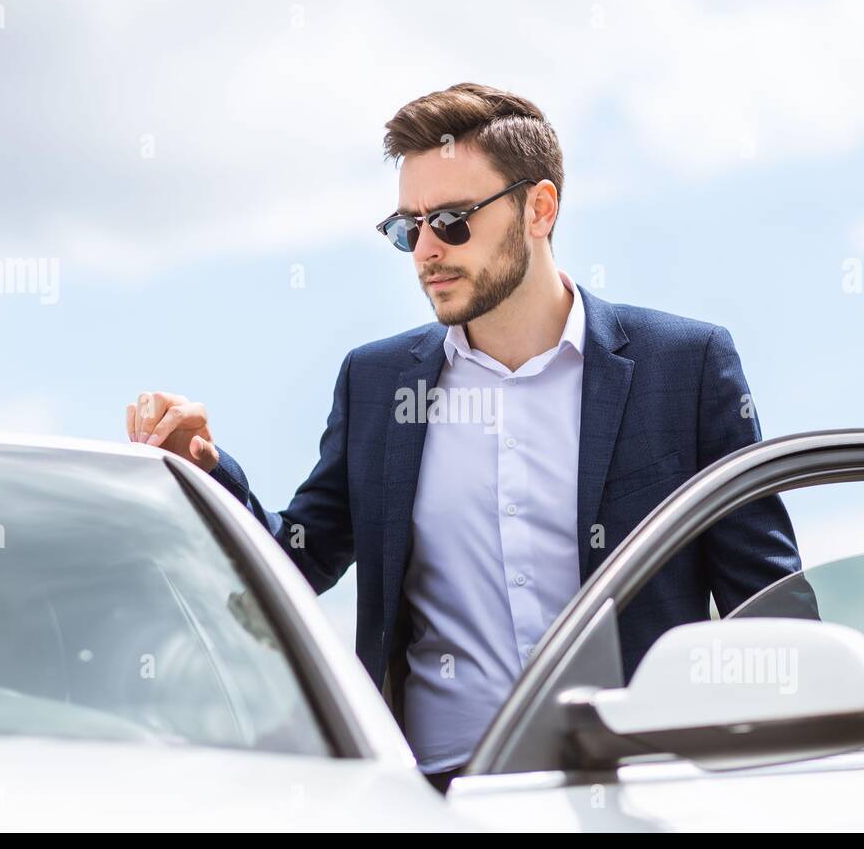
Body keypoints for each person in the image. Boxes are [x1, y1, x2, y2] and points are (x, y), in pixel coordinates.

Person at [125, 83, 802, 793]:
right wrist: (204, 468)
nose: (425, 250)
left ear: (539, 208)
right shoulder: (377, 383)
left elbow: (772, 605)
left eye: (451, 220)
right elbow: (301, 559)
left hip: (639, 788)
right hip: (440, 795)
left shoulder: (684, 367)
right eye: (406, 227)